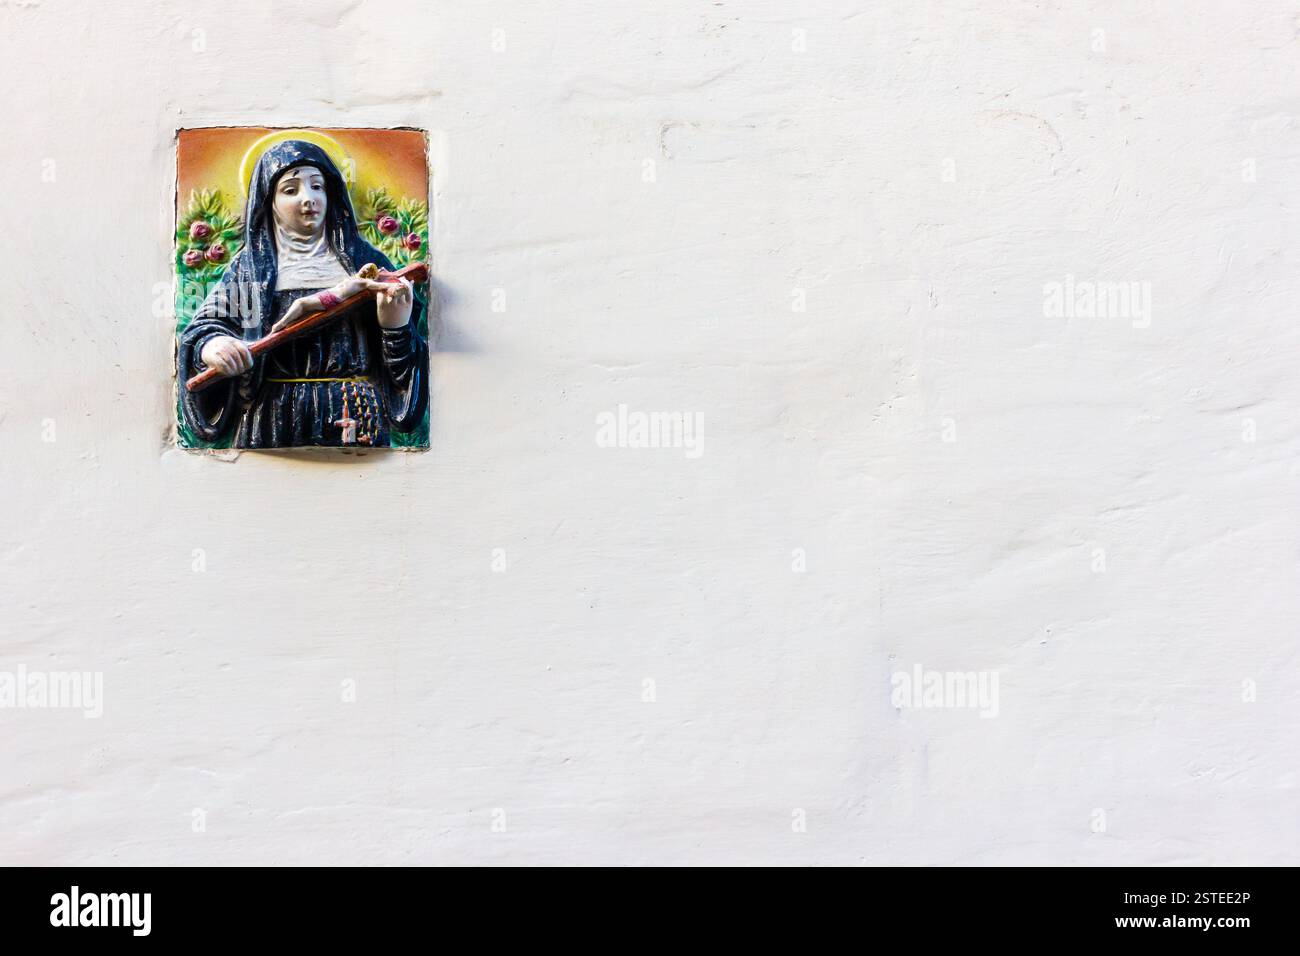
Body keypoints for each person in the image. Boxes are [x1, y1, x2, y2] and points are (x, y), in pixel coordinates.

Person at [178, 140, 428, 448]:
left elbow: (407, 359)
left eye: (317, 186)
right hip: (274, 416)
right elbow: (203, 329)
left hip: (355, 413)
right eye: (290, 190)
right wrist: (214, 346)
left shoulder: (366, 264)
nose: (308, 199)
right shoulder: (250, 269)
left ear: (331, 193)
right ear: (268, 200)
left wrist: (395, 328)